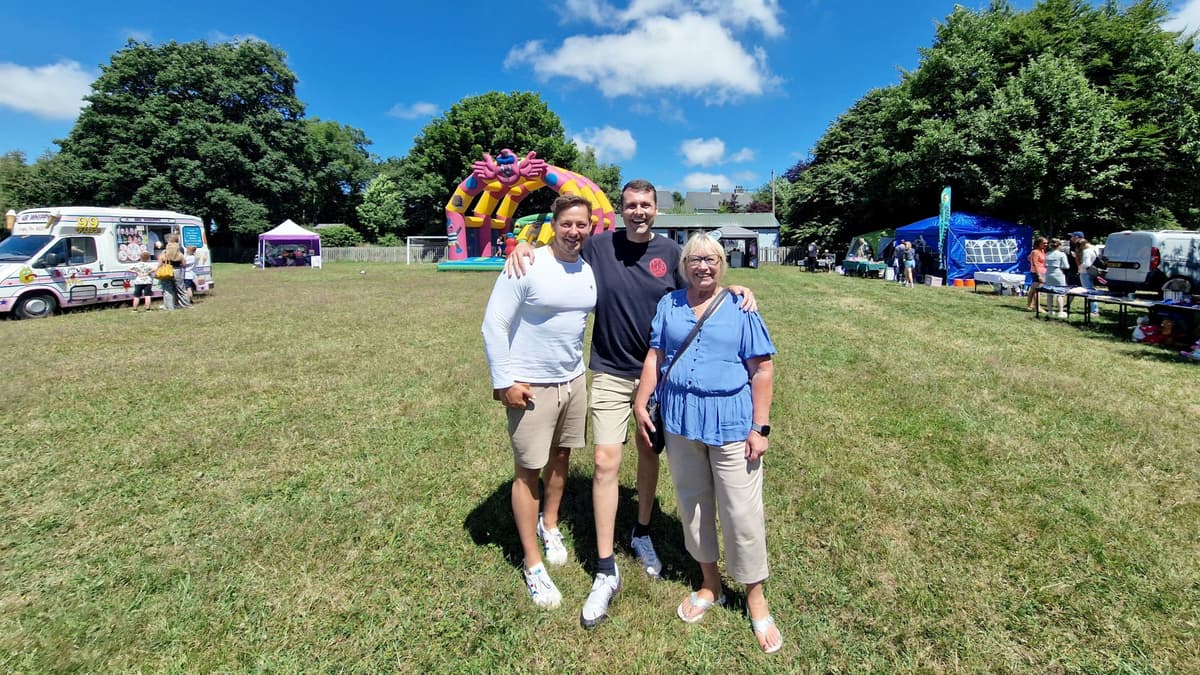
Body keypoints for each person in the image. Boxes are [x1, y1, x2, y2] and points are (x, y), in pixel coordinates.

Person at [505, 180, 757, 630]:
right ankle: (605, 565)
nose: (638, 211)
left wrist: (735, 285)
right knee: (605, 461)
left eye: (646, 205)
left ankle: (641, 532)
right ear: (619, 210)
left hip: (658, 378)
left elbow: (704, 285)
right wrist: (519, 246)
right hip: (606, 371)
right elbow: (558, 246)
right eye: (631, 205)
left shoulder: (671, 253)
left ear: (656, 209)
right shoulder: (600, 247)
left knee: (647, 454)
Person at [632, 233, 781, 654]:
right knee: (692, 503)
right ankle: (710, 582)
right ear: (684, 265)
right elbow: (655, 357)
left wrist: (761, 428)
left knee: (741, 511)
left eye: (712, 259)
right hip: (681, 423)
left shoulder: (741, 306)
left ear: (722, 263)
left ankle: (755, 596)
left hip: (732, 424)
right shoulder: (670, 305)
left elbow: (763, 370)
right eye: (696, 259)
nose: (704, 267)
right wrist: (642, 400)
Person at [482, 194, 597, 609]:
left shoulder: (588, 266)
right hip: (530, 385)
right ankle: (532, 564)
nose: (574, 231)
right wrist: (504, 380)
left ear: (590, 227)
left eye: (581, 224)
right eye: (567, 224)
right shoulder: (527, 262)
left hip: (573, 380)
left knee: (562, 457)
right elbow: (493, 323)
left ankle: (550, 525)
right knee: (528, 470)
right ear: (554, 224)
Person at [1043, 238, 1070, 318]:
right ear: (1059, 245)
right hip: (1058, 274)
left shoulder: (1047, 254)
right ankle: (1061, 312)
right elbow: (1066, 266)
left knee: (1049, 293)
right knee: (1060, 293)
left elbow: (1045, 265)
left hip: (1048, 274)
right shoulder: (1062, 254)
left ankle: (1050, 311)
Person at [156, 238, 185, 311]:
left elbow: (159, 263)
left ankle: (169, 307)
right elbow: (184, 264)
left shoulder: (165, 253)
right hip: (178, 270)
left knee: (168, 290)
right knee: (180, 289)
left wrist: (156, 270)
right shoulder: (180, 252)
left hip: (167, 272)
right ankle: (183, 304)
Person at [1077, 237, 1101, 316]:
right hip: (1091, 272)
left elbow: (1086, 264)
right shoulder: (1094, 249)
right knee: (1091, 290)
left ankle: (1094, 310)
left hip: (1085, 272)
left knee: (1089, 291)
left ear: (1082, 245)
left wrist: (1080, 267)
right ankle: (1093, 309)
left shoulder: (1086, 251)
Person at [1026, 237, 1048, 312]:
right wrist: (1039, 275)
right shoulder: (1035, 252)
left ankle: (1029, 305)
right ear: (1039, 243)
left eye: (1046, 243)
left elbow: (1029, 258)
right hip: (1037, 272)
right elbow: (1035, 263)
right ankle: (1037, 307)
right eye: (1044, 243)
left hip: (1042, 271)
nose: (1046, 244)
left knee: (1033, 289)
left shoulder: (1042, 251)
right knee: (1038, 290)